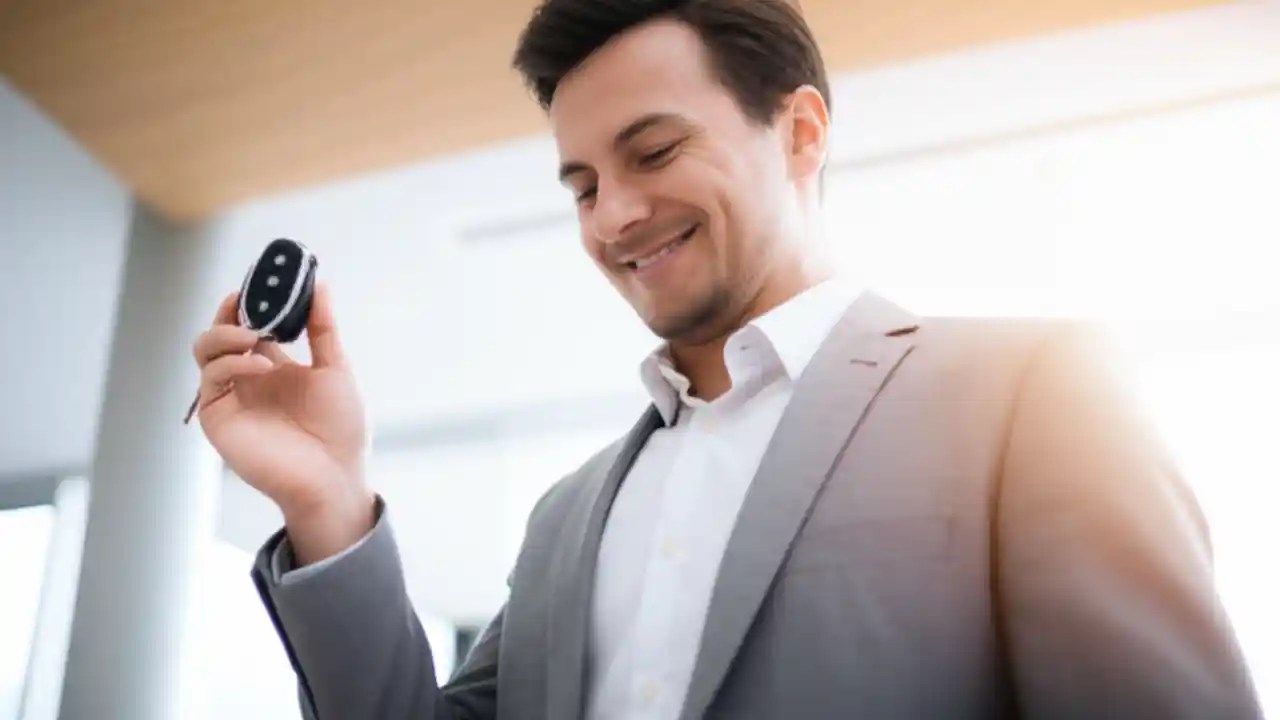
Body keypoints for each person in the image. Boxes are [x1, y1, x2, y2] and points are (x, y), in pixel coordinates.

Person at [191, 1, 1261, 718]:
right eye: (579, 185)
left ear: (799, 133)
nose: (613, 217)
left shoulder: (1031, 393)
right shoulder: (565, 516)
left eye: (653, 153)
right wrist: (328, 501)